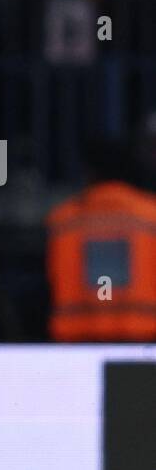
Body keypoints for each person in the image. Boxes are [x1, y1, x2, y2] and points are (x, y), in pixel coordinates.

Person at [46, 140, 156, 341]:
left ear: (89, 173)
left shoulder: (62, 221)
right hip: (143, 339)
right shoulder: (151, 218)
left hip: (76, 340)